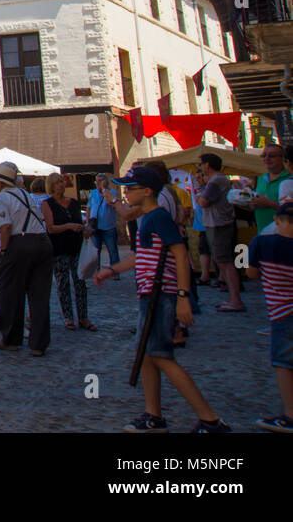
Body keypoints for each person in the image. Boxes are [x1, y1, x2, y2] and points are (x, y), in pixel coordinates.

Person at [95, 167, 231, 433]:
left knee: (161, 357)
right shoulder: (147, 218)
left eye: (130, 188)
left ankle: (210, 419)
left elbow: (180, 255)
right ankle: (153, 414)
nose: (126, 193)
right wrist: (112, 270)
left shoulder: (158, 217)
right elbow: (142, 257)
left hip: (162, 294)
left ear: (146, 192)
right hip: (149, 293)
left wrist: (182, 297)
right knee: (147, 354)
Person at [0, 162, 54, 356]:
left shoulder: (1, 198)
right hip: (42, 242)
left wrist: (3, 251)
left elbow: (5, 227)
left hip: (18, 244)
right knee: (39, 296)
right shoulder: (25, 194)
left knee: (8, 294)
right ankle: (38, 344)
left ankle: (11, 339)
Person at [248, 200, 293, 432]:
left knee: (284, 363)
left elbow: (251, 273)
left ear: (276, 221)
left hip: (280, 312)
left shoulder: (261, 242)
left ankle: (290, 415)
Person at [44, 172, 95, 333]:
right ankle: (68, 317)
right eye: (58, 182)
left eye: (62, 181)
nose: (61, 184)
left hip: (76, 246)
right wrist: (69, 226)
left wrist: (85, 229)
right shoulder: (48, 204)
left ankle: (83, 316)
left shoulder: (73, 203)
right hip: (59, 248)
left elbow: (81, 222)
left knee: (80, 282)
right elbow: (50, 228)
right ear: (51, 185)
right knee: (63, 283)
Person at [194, 152, 243, 312]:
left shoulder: (215, 181)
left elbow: (203, 202)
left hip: (218, 224)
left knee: (225, 262)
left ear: (207, 165)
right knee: (224, 262)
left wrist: (200, 192)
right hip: (219, 223)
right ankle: (233, 298)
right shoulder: (217, 180)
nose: (199, 168)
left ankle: (235, 300)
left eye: (200, 164)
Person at [251, 144, 292, 235]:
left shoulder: (290, 179)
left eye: (272, 156)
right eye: (264, 155)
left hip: (285, 236)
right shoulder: (260, 179)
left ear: (283, 159)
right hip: (263, 234)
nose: (266, 158)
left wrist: (268, 203)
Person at [86, 173, 121, 276]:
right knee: (96, 251)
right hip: (95, 226)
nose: (98, 183)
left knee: (112, 250)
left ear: (106, 181)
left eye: (101, 180)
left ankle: (115, 272)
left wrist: (105, 191)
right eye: (97, 181)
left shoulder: (112, 193)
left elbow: (113, 204)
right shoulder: (93, 193)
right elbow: (89, 208)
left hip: (108, 226)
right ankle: (97, 272)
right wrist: (88, 223)